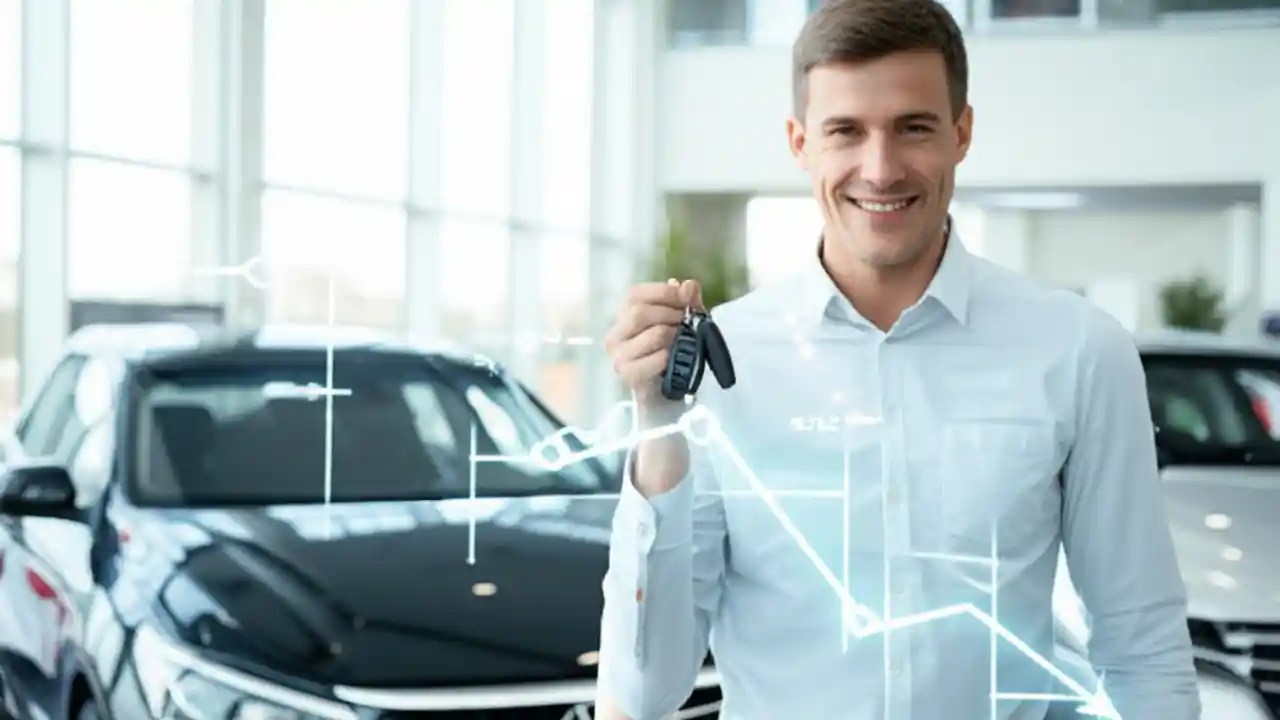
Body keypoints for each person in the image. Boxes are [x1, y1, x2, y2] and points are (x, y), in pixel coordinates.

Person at [596, 0, 1200, 718]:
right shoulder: (720, 368)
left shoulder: (1077, 349)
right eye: (845, 131)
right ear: (800, 144)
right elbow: (642, 693)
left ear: (961, 133)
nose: (880, 170)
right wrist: (657, 424)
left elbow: (1142, 646)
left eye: (913, 127)